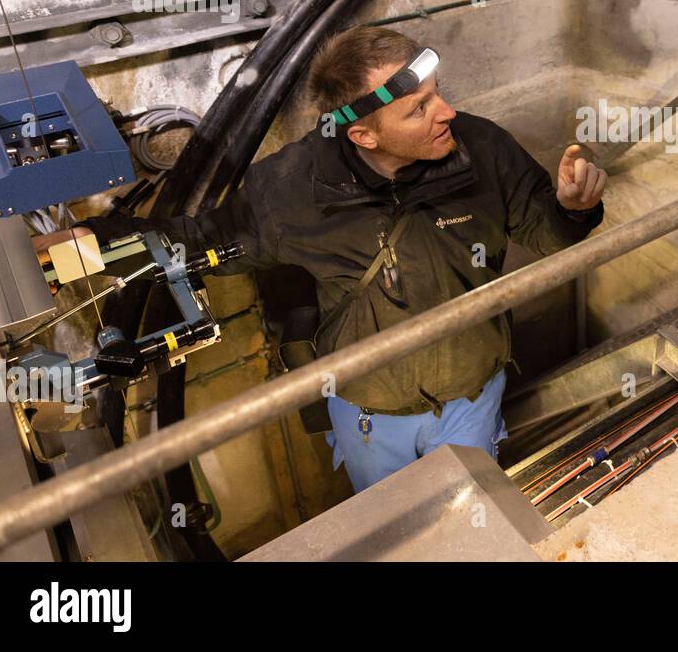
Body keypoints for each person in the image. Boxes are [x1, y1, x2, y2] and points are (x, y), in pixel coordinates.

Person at [37, 26, 607, 492]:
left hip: (471, 397)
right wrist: (90, 245)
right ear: (363, 136)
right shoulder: (294, 189)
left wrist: (574, 209)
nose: (448, 113)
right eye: (420, 109)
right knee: (392, 528)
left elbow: (549, 234)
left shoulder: (482, 150)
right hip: (369, 413)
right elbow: (196, 237)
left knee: (470, 516)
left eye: (439, 94)